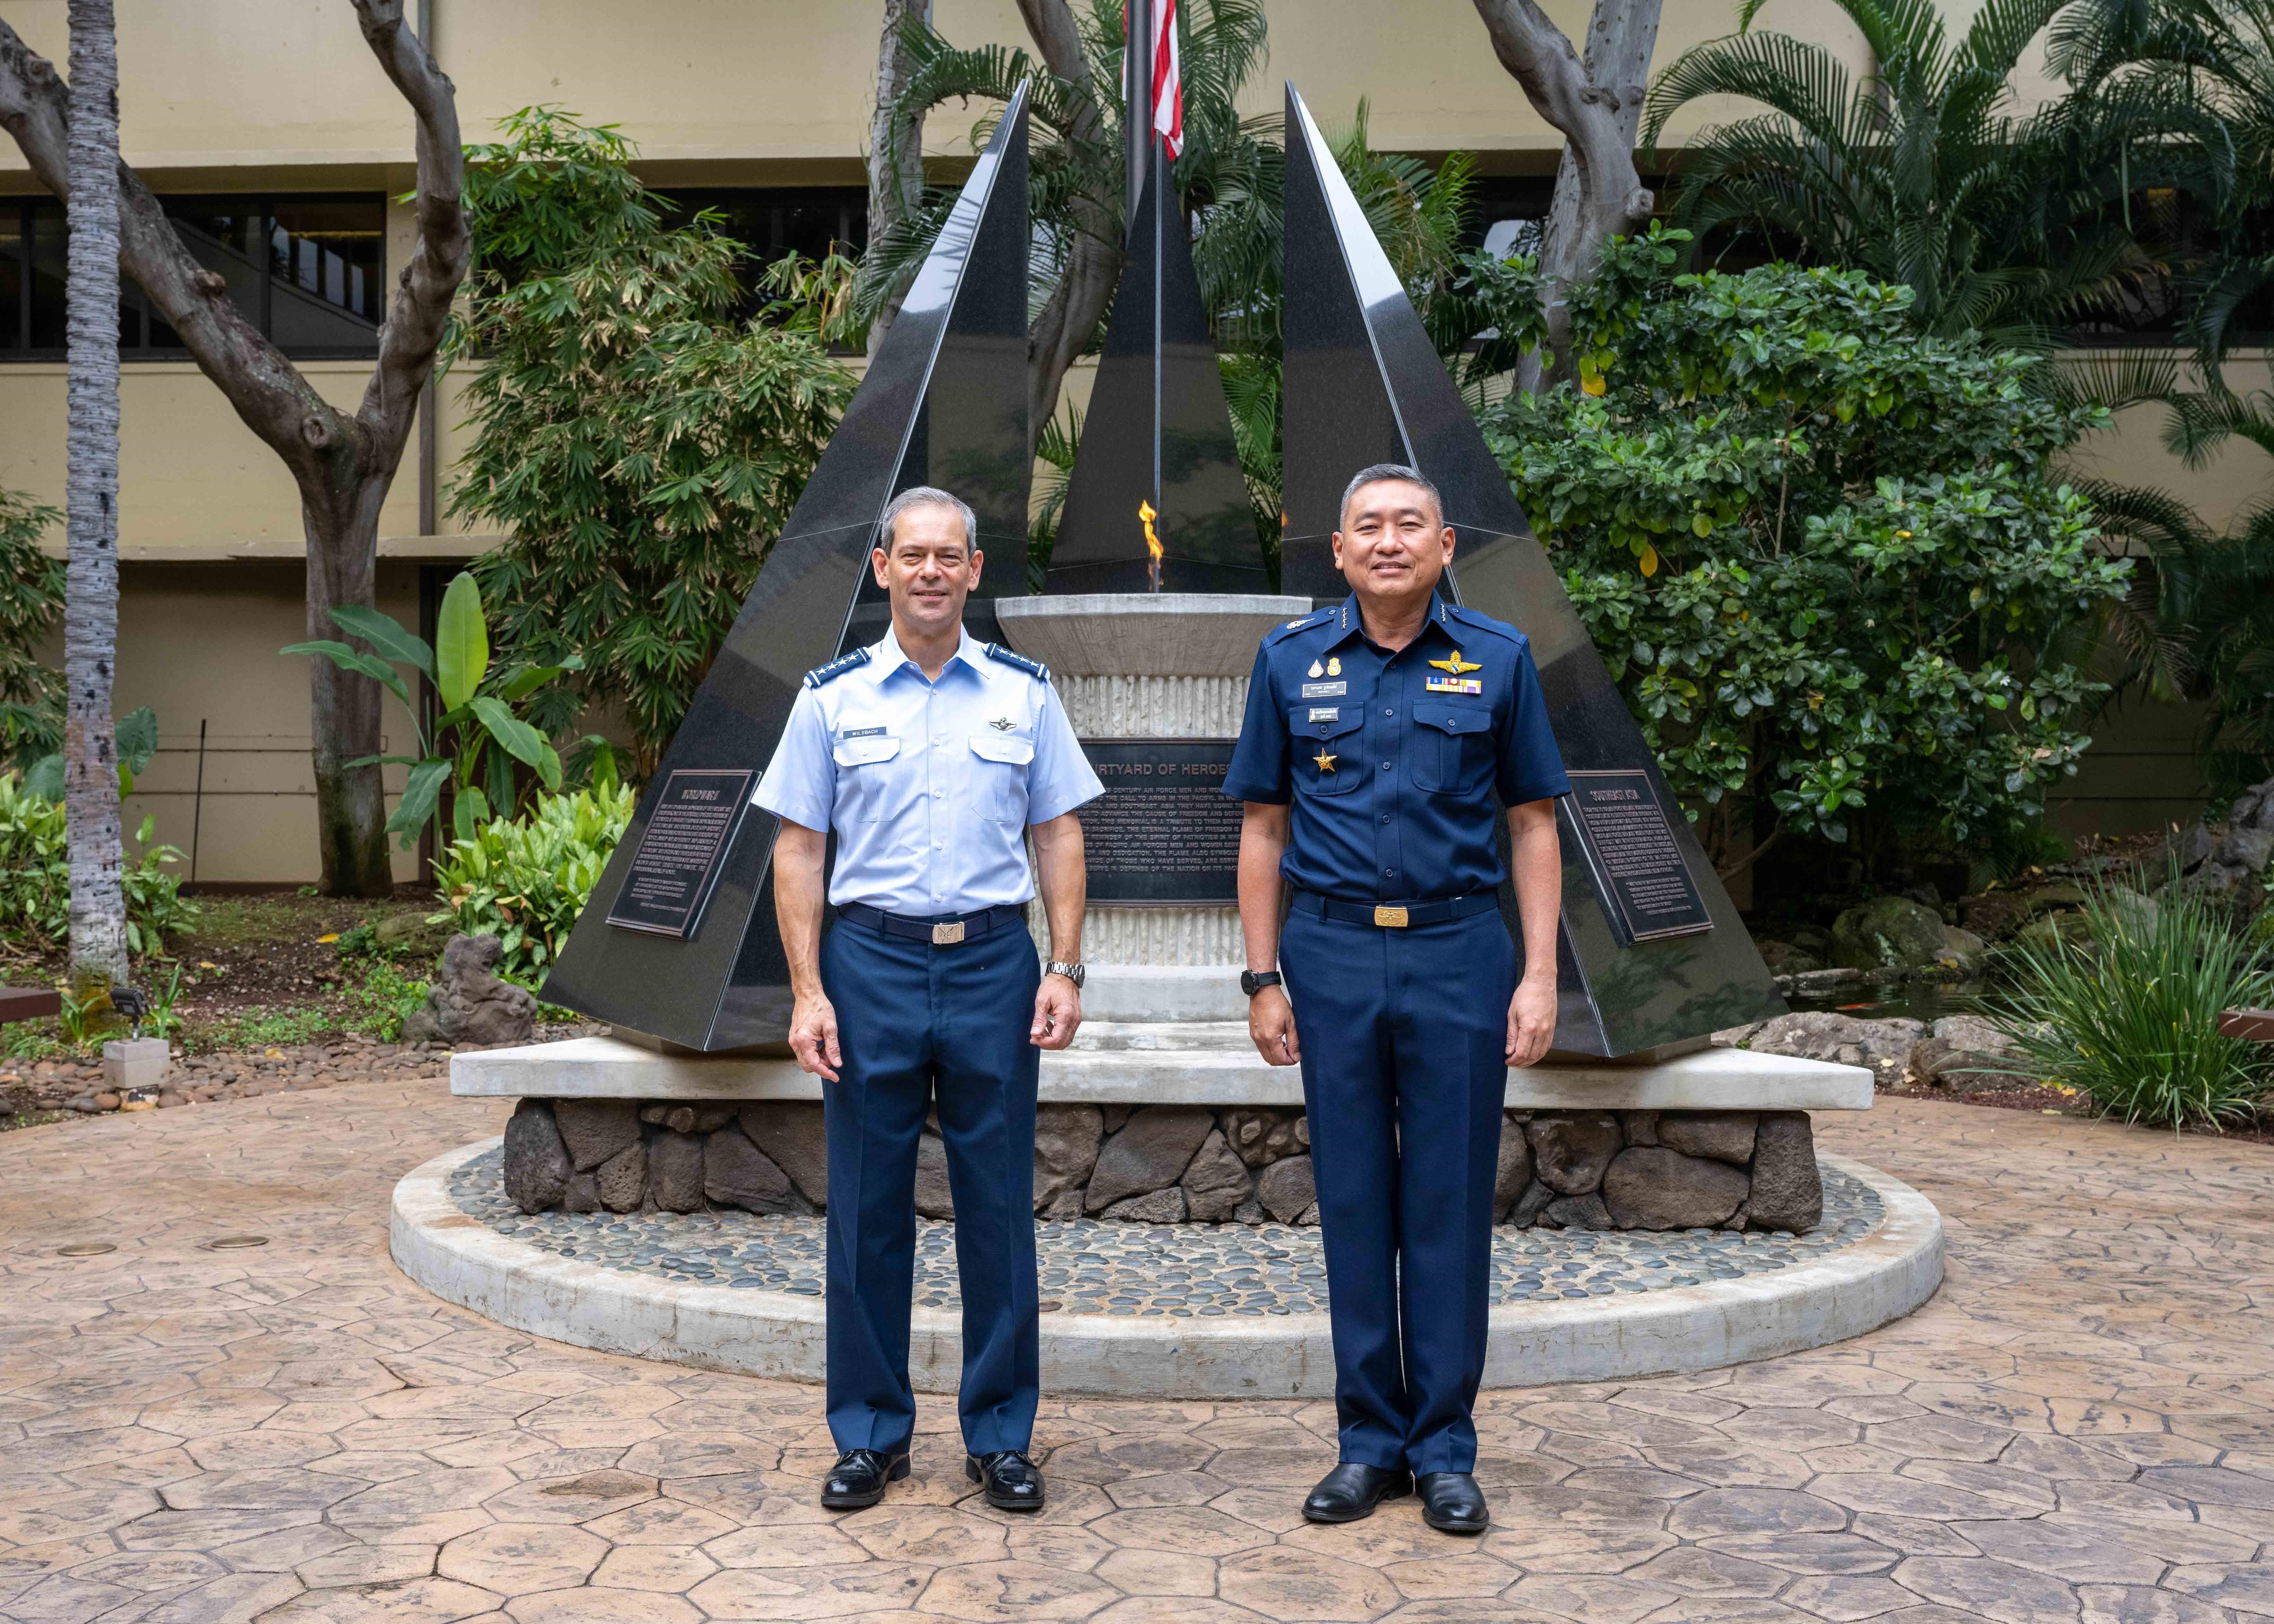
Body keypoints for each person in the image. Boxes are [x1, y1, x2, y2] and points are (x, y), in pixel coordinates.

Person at [1222, 462, 1569, 1535]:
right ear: (1336, 551)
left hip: (1459, 952)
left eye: (1406, 524)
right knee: (1356, 1202)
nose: (1386, 541)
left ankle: (1446, 1450)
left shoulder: (1498, 661)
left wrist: (1539, 972)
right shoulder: (1288, 662)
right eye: (1365, 525)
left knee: (1450, 1204)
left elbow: (1531, 825)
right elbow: (1263, 828)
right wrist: (1261, 975)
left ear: (1444, 542)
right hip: (1326, 956)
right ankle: (1368, 1443)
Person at [758, 484, 1102, 1513]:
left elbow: (1059, 833)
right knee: (866, 1207)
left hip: (997, 961)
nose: (930, 572)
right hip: (870, 965)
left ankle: (1000, 1435)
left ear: (974, 570)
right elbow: (799, 849)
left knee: (998, 1206)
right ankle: (869, 1433)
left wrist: (1066, 962)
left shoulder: (1024, 693)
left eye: (949, 556)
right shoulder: (831, 699)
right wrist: (809, 989)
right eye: (912, 555)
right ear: (881, 567)